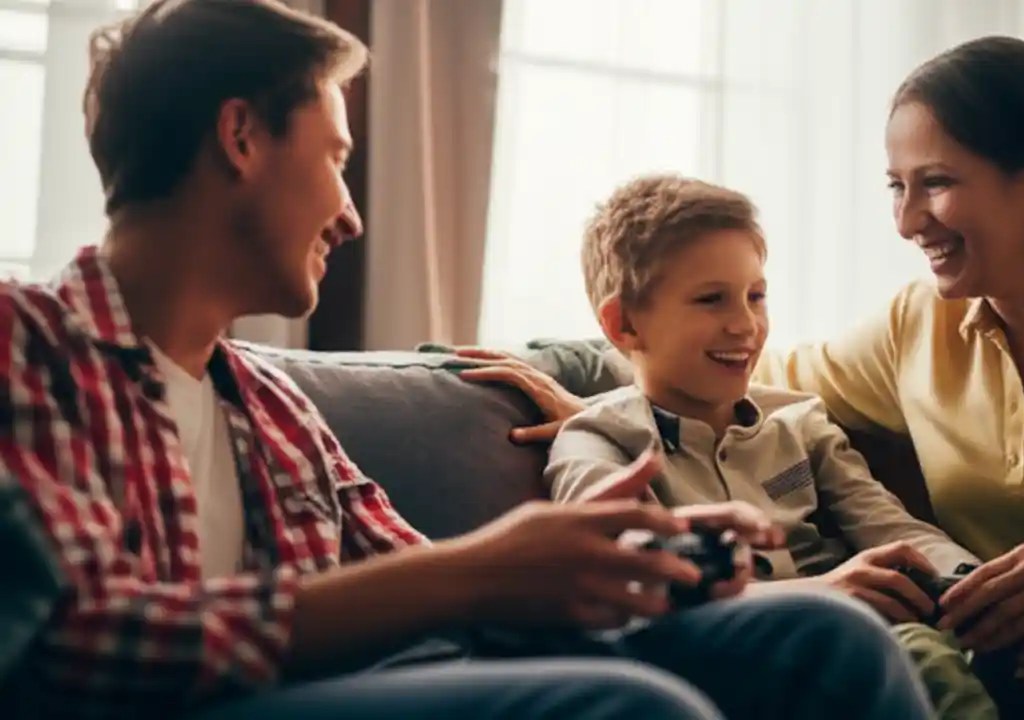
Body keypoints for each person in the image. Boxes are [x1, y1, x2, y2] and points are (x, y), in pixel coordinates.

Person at [0, 1, 940, 718]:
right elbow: (70, 645)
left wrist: (605, 574)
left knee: (827, 638)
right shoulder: (27, 344)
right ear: (241, 138)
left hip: (385, 678)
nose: (351, 213)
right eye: (335, 157)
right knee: (630, 711)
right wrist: (473, 573)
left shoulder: (271, 407)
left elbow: (433, 588)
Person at [458, 35, 1024, 719]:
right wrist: (589, 392)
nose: (907, 220)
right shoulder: (915, 327)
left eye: (938, 183)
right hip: (1007, 652)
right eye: (896, 186)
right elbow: (730, 369)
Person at [538, 172, 1002, 719]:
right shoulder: (599, 441)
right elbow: (634, 583)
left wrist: (982, 590)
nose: (746, 325)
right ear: (624, 324)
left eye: (756, 296)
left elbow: (888, 524)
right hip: (754, 654)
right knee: (923, 657)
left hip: (869, 632)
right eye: (712, 300)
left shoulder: (798, 420)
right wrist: (825, 592)